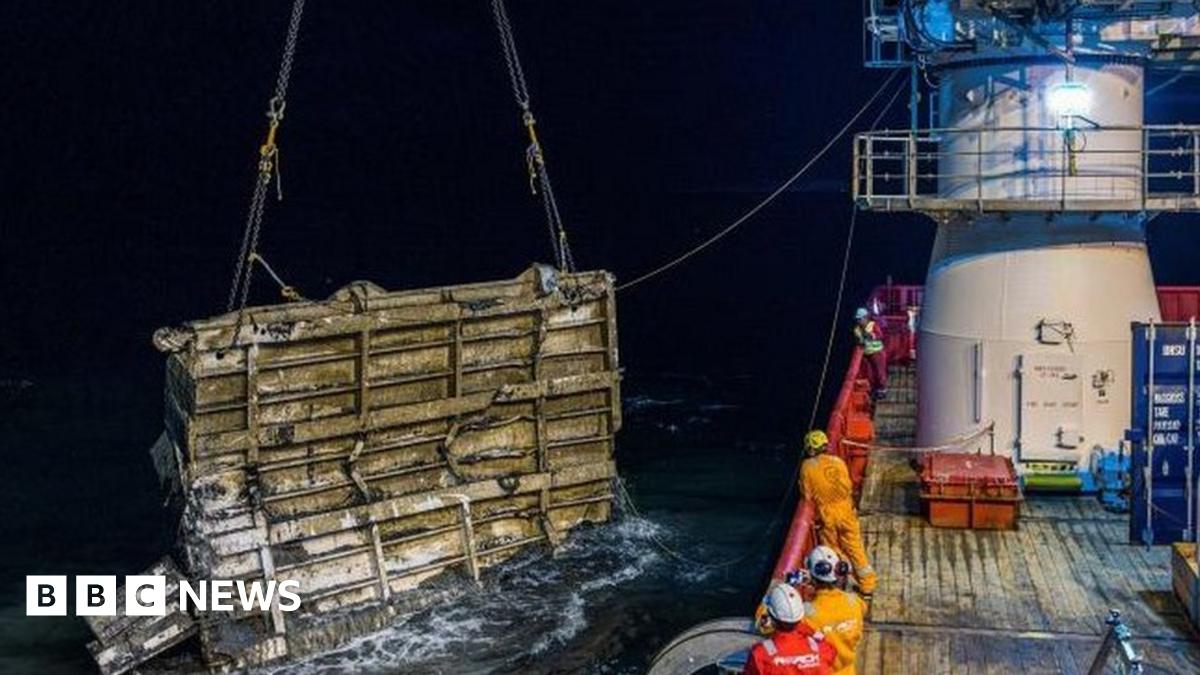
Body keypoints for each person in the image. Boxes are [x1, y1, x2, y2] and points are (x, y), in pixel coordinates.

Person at [799, 430, 877, 596]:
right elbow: (848, 485)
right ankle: (867, 585)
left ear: (811, 448)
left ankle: (838, 579)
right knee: (856, 548)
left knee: (832, 551)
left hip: (827, 516)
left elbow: (807, 495)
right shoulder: (838, 461)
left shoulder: (807, 467)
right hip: (847, 512)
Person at [743, 583, 836, 674]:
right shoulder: (821, 648)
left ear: (771, 615)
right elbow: (831, 650)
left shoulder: (761, 654)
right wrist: (807, 630)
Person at [802, 546, 868, 675]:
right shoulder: (855, 602)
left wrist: (785, 585)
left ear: (812, 576)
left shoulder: (806, 614)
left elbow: (766, 626)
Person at [853, 307, 888, 400]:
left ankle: (882, 390)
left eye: (860, 319)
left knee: (879, 372)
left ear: (866, 318)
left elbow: (880, 335)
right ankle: (874, 390)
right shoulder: (856, 330)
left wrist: (871, 335)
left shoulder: (873, 325)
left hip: (877, 353)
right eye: (857, 319)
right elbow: (858, 342)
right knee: (870, 373)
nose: (859, 321)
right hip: (867, 354)